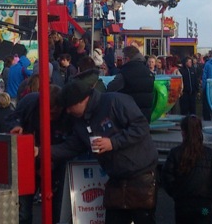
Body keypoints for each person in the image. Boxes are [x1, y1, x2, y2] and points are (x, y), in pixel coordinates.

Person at [53, 69, 159, 224]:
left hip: (141, 176)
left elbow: (141, 127)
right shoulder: (81, 121)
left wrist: (112, 143)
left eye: (70, 106)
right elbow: (72, 146)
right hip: (115, 180)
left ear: (83, 100)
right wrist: (42, 152)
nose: (68, 111)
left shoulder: (116, 101)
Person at [7, 83, 69, 224]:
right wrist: (16, 125)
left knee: (57, 208)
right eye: (46, 112)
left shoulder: (67, 115)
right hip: (29, 162)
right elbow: (12, 117)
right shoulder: (29, 102)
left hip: (56, 162)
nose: (49, 118)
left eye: (53, 114)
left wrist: (50, 160)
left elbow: (71, 145)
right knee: (23, 207)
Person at [161, 114, 212, 223]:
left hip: (183, 206)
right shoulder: (211, 155)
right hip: (204, 205)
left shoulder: (175, 153)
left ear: (183, 132)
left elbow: (166, 177)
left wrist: (176, 194)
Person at [106, 45, 155, 122]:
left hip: (128, 117)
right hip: (145, 117)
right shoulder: (149, 73)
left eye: (122, 59)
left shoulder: (124, 74)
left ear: (127, 59)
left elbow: (110, 88)